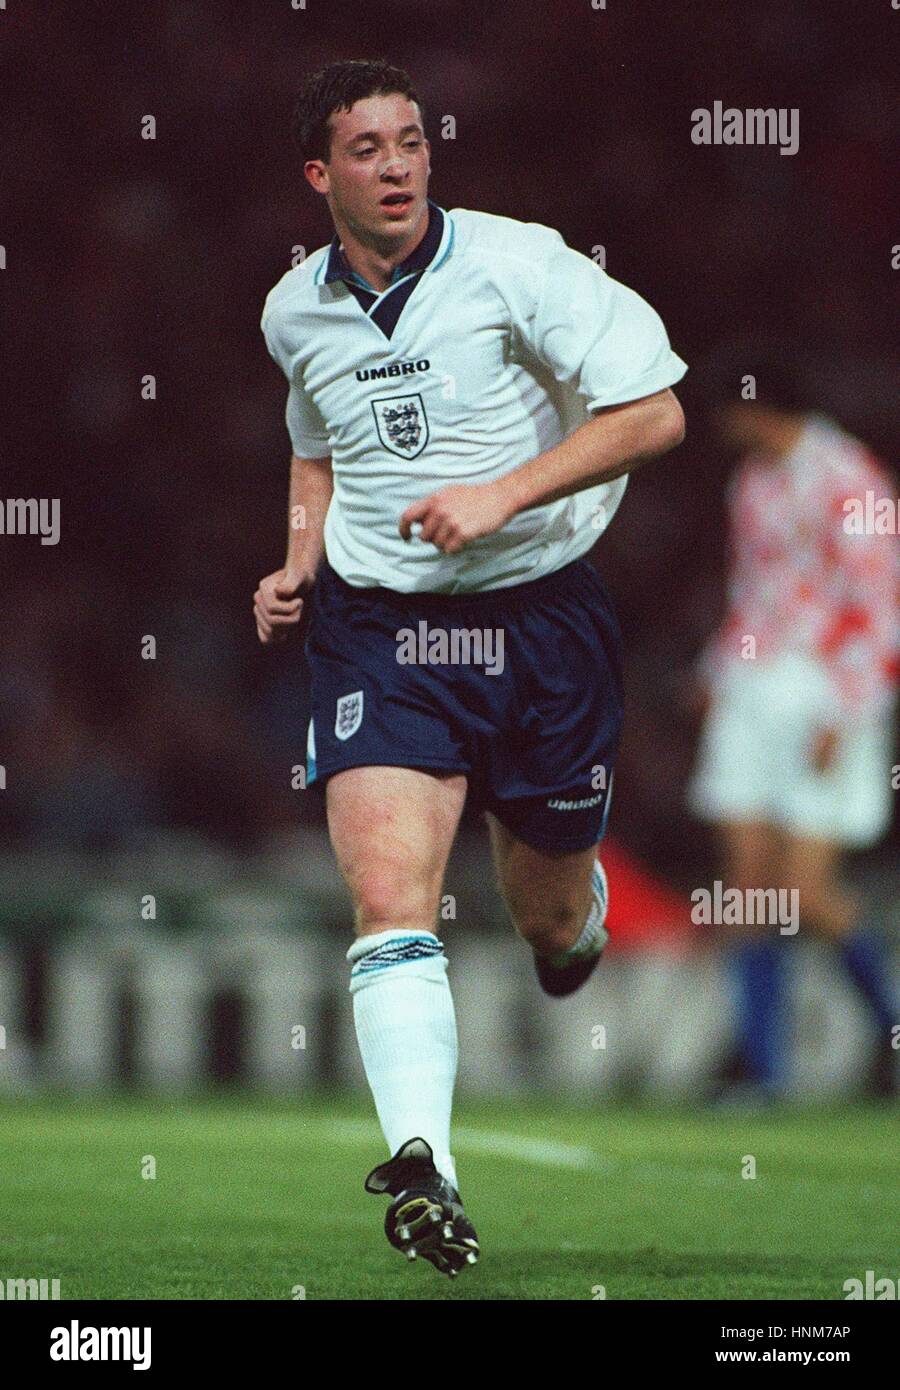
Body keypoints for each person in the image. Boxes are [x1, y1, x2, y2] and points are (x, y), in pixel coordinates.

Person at [255, 59, 686, 1276]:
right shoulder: (294, 310)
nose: (396, 167)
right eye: (368, 150)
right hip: (380, 632)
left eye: (410, 143)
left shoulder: (518, 264)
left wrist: (502, 493)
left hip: (539, 621)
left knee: (542, 911)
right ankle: (425, 1165)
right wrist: (295, 560)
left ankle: (574, 926)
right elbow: (315, 442)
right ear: (318, 174)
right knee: (391, 895)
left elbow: (655, 410)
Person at [689, 359, 898, 1102]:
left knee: (804, 891)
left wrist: (850, 707)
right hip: (755, 685)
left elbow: (880, 597)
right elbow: (752, 589)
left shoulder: (850, 477)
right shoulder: (752, 481)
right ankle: (763, 1069)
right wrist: (718, 673)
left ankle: (892, 1028)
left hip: (823, 686)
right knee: (746, 888)